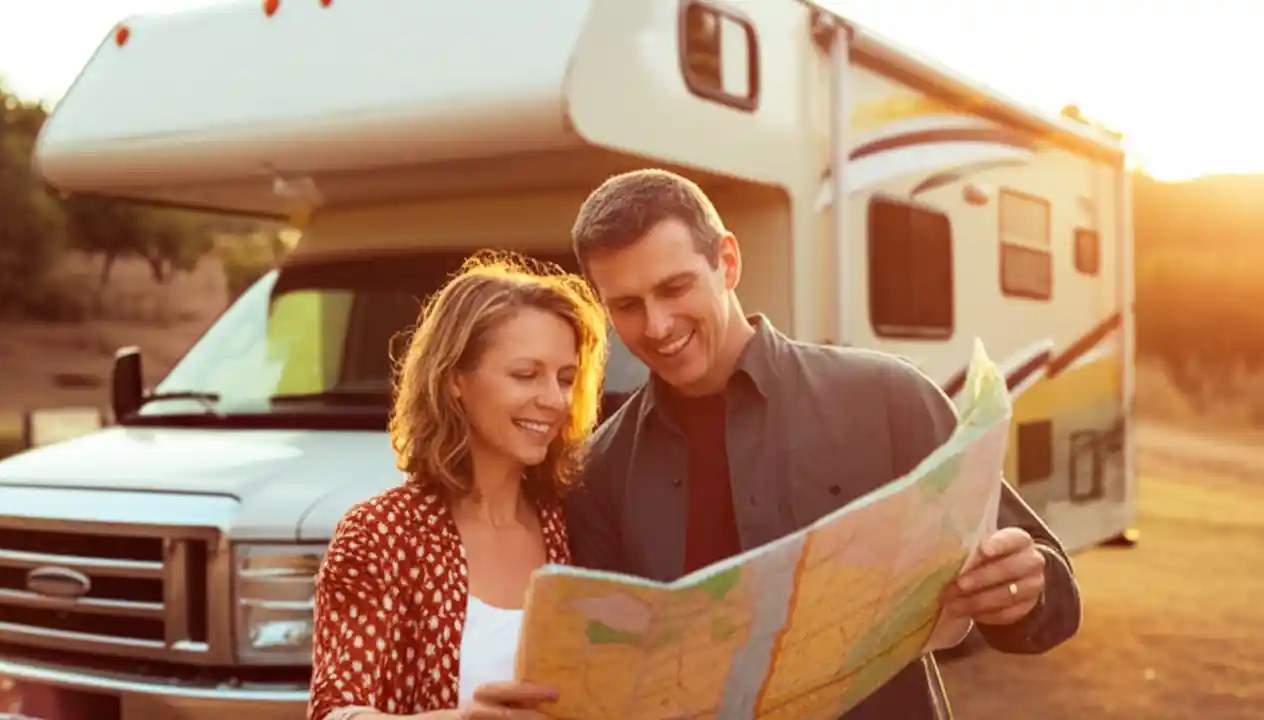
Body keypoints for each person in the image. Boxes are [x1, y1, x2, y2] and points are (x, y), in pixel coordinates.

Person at [563, 169, 1082, 719]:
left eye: (674, 288)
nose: (658, 324)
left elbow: (1051, 592)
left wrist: (1023, 587)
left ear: (728, 262)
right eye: (627, 305)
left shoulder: (887, 399)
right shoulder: (600, 473)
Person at [308, 251, 607, 720]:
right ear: (455, 381)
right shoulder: (380, 534)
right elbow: (334, 713)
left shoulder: (574, 522)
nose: (555, 400)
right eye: (525, 374)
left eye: (566, 379)